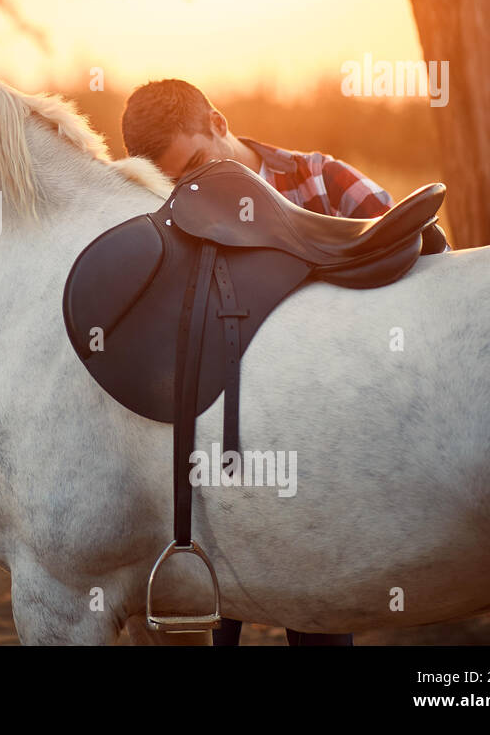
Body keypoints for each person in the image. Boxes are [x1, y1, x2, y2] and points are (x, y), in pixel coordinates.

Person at [121, 78, 394, 647]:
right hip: (206, 481)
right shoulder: (158, 218)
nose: (188, 185)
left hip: (319, 465)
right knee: (207, 627)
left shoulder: (319, 180)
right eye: (173, 180)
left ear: (219, 123)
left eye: (196, 162)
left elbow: (406, 254)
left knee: (320, 630)